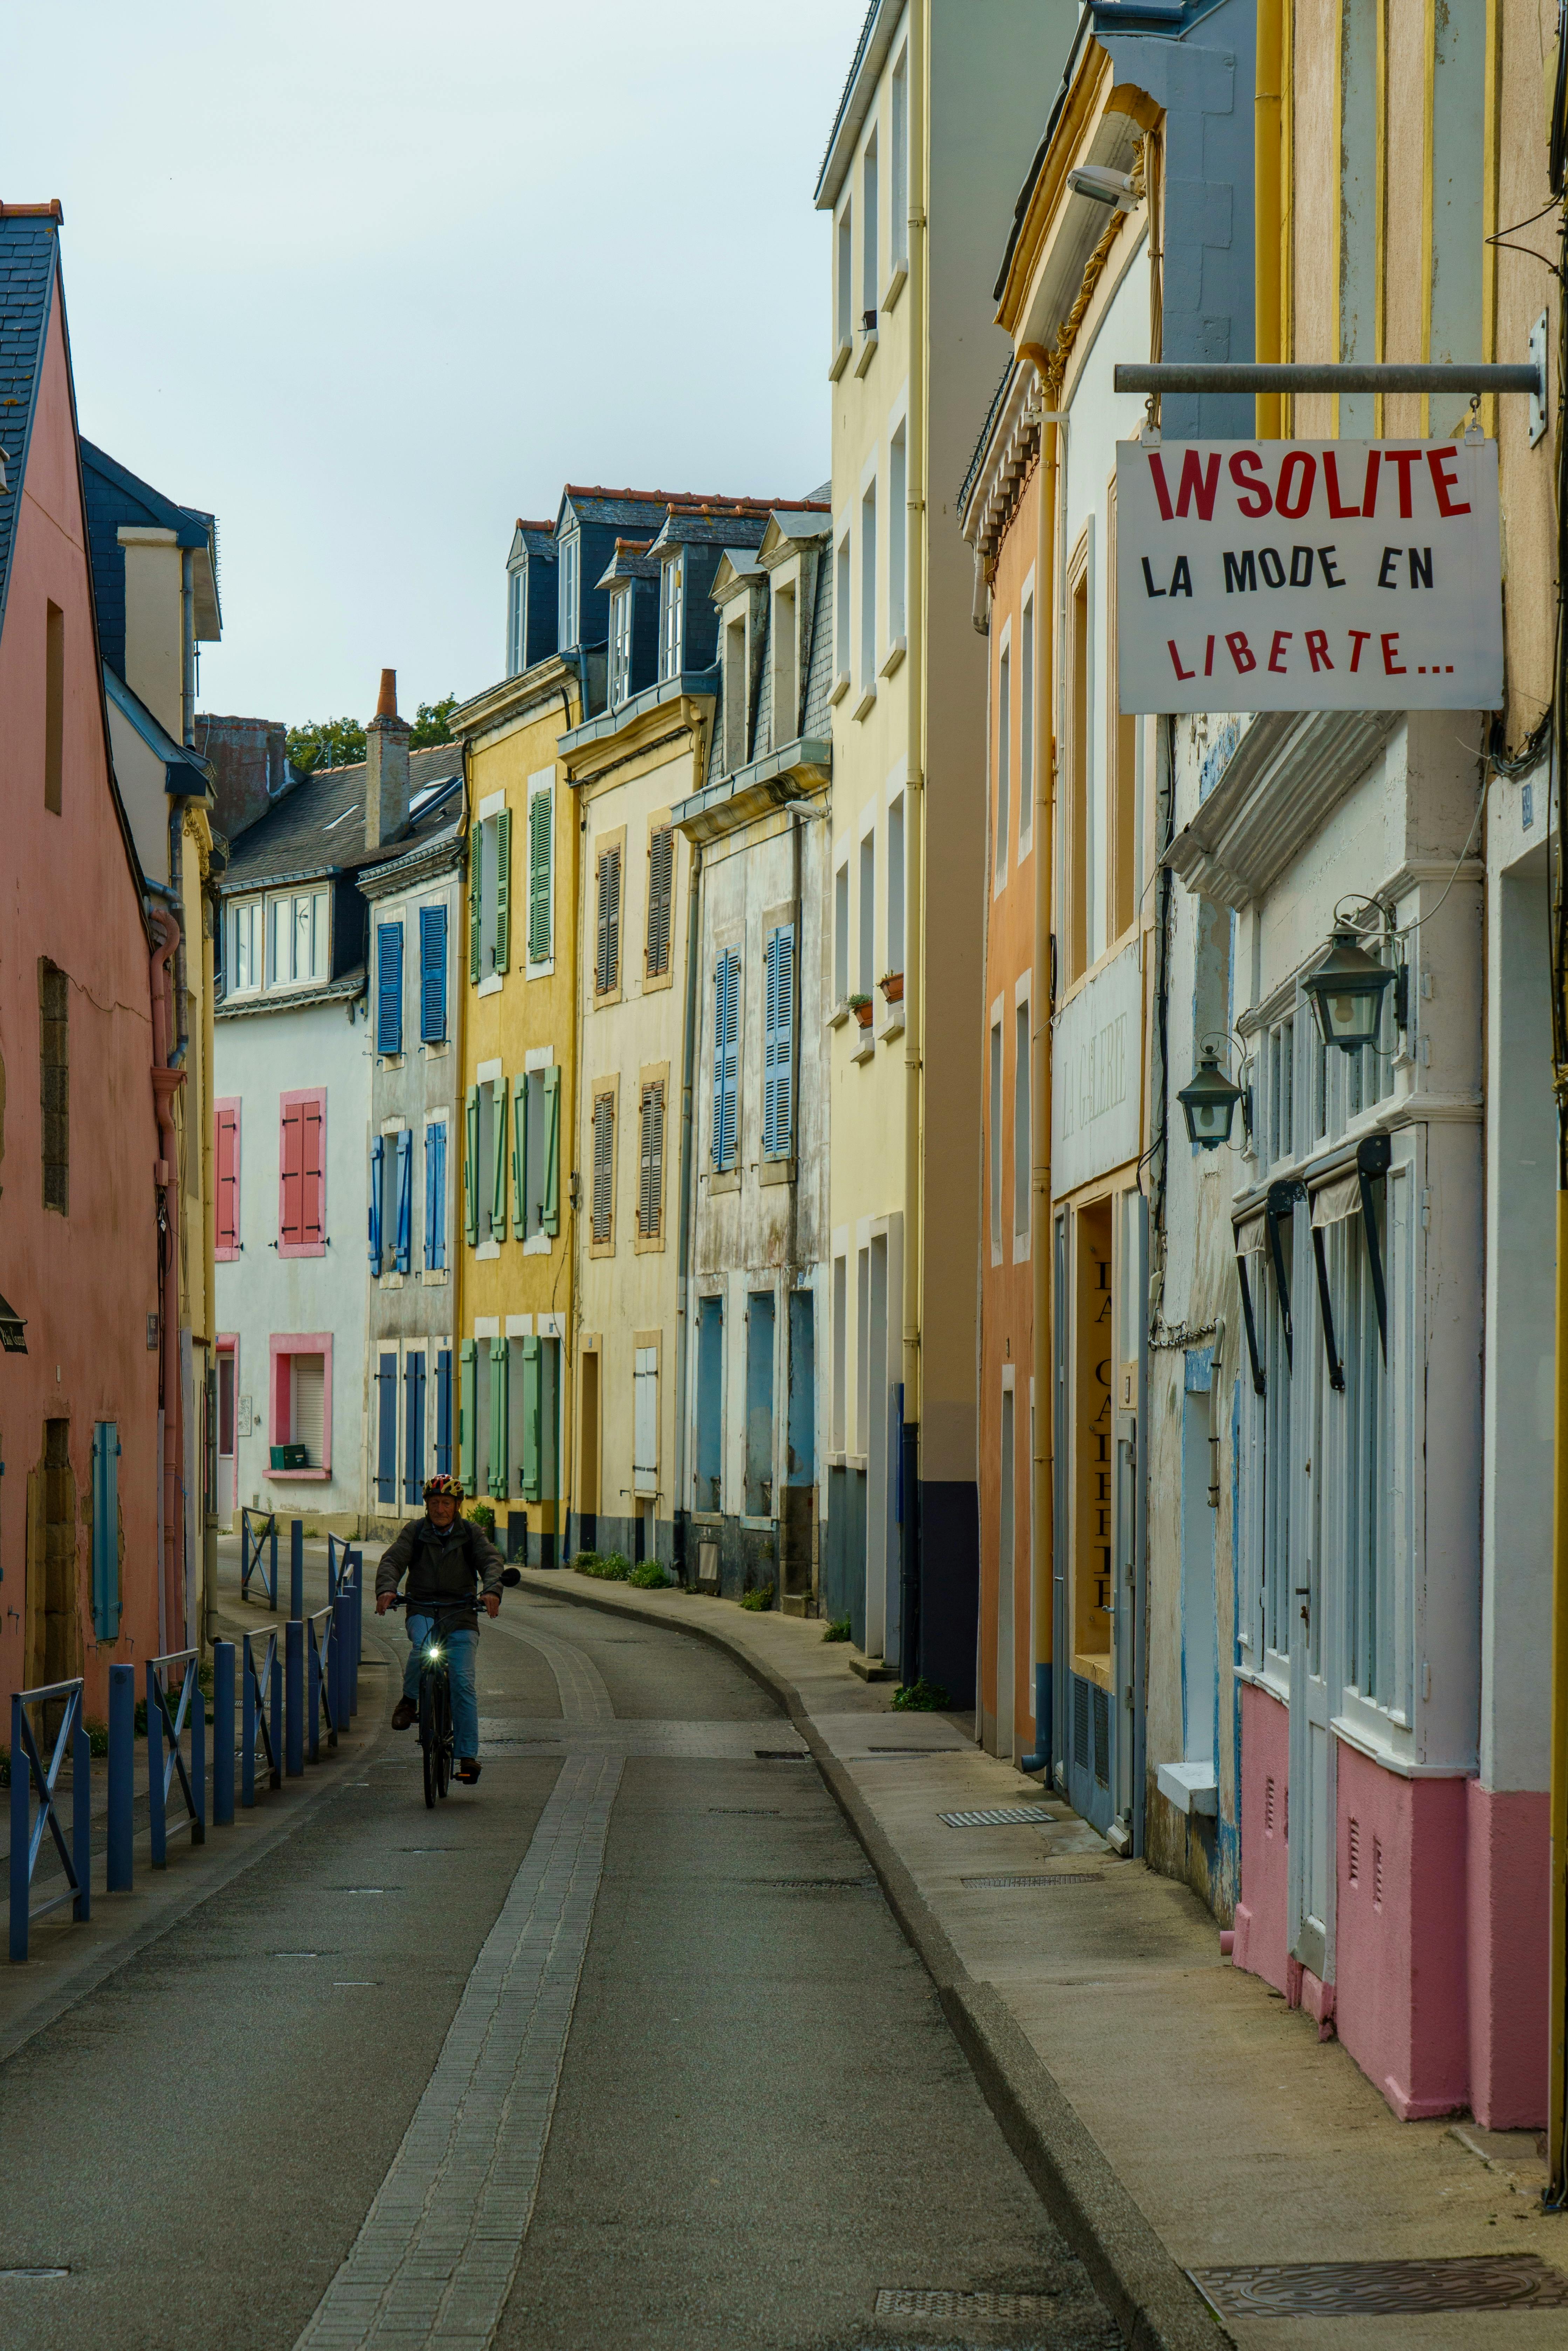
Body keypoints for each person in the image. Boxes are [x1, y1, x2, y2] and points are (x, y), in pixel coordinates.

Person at [376, 1474, 503, 1784]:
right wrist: (387, 1589)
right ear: (427, 1505)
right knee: (423, 1648)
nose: (440, 1509)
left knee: (462, 1682)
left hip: (461, 1614)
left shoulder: (471, 1534)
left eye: (447, 1503)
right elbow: (393, 1561)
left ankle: (468, 1757)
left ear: (457, 1506)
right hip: (422, 1609)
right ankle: (409, 1701)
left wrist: (492, 1591)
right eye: (435, 1503)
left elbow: (491, 1562)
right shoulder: (415, 1532)